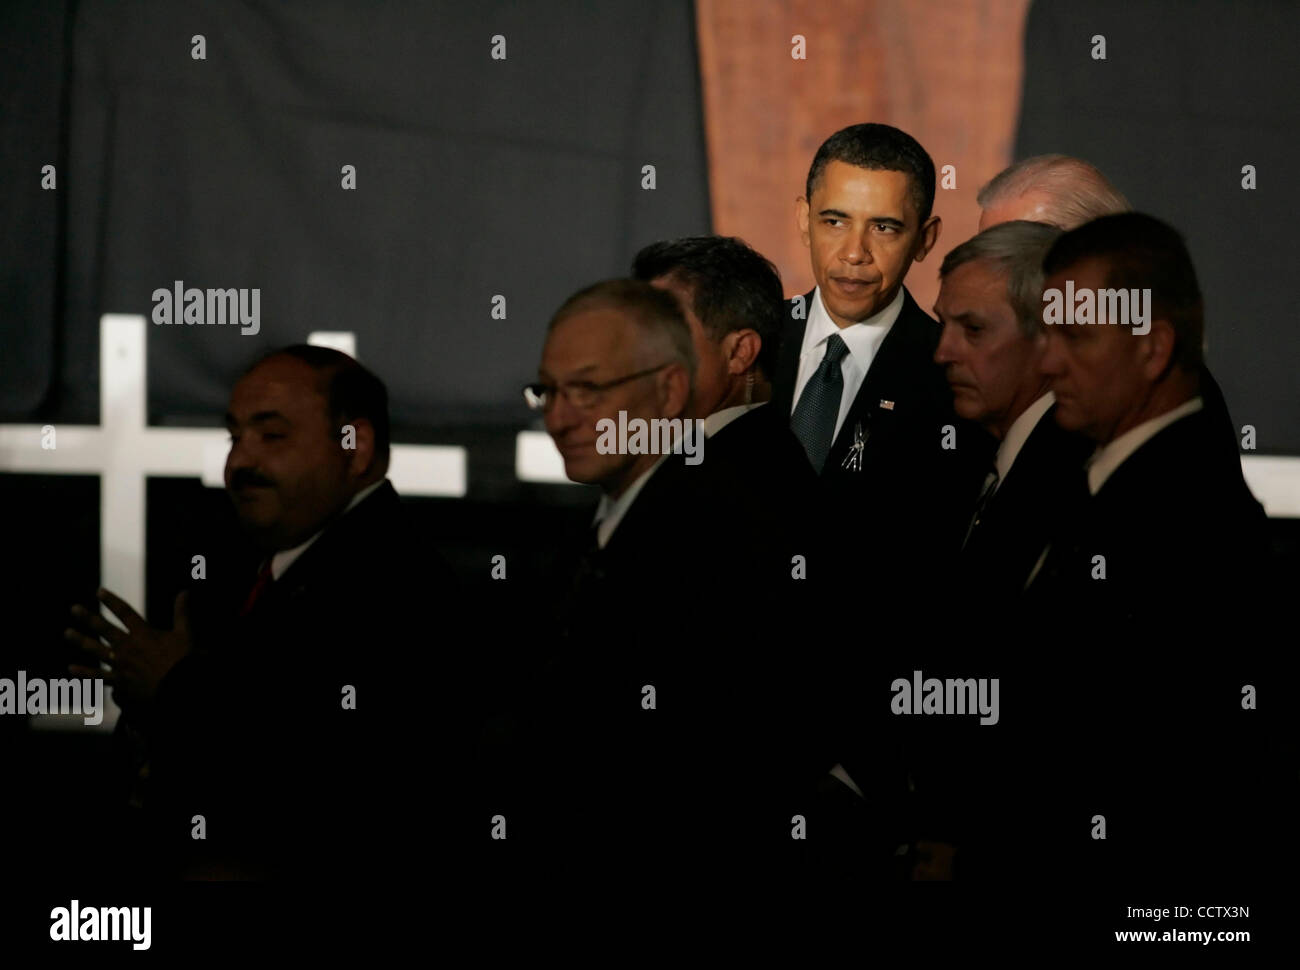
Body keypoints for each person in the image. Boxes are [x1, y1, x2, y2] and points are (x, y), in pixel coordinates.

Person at [65, 346, 457, 880]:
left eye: (271, 436)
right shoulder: (244, 567)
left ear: (355, 445)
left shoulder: (401, 589)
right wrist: (148, 705)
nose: (239, 462)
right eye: (234, 436)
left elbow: (333, 790)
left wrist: (173, 686)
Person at [1028, 213, 1272, 884]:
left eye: (1075, 336)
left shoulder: (1187, 524)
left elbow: (1145, 775)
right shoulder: (1114, 489)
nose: (1046, 361)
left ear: (1153, 349)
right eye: (1047, 334)